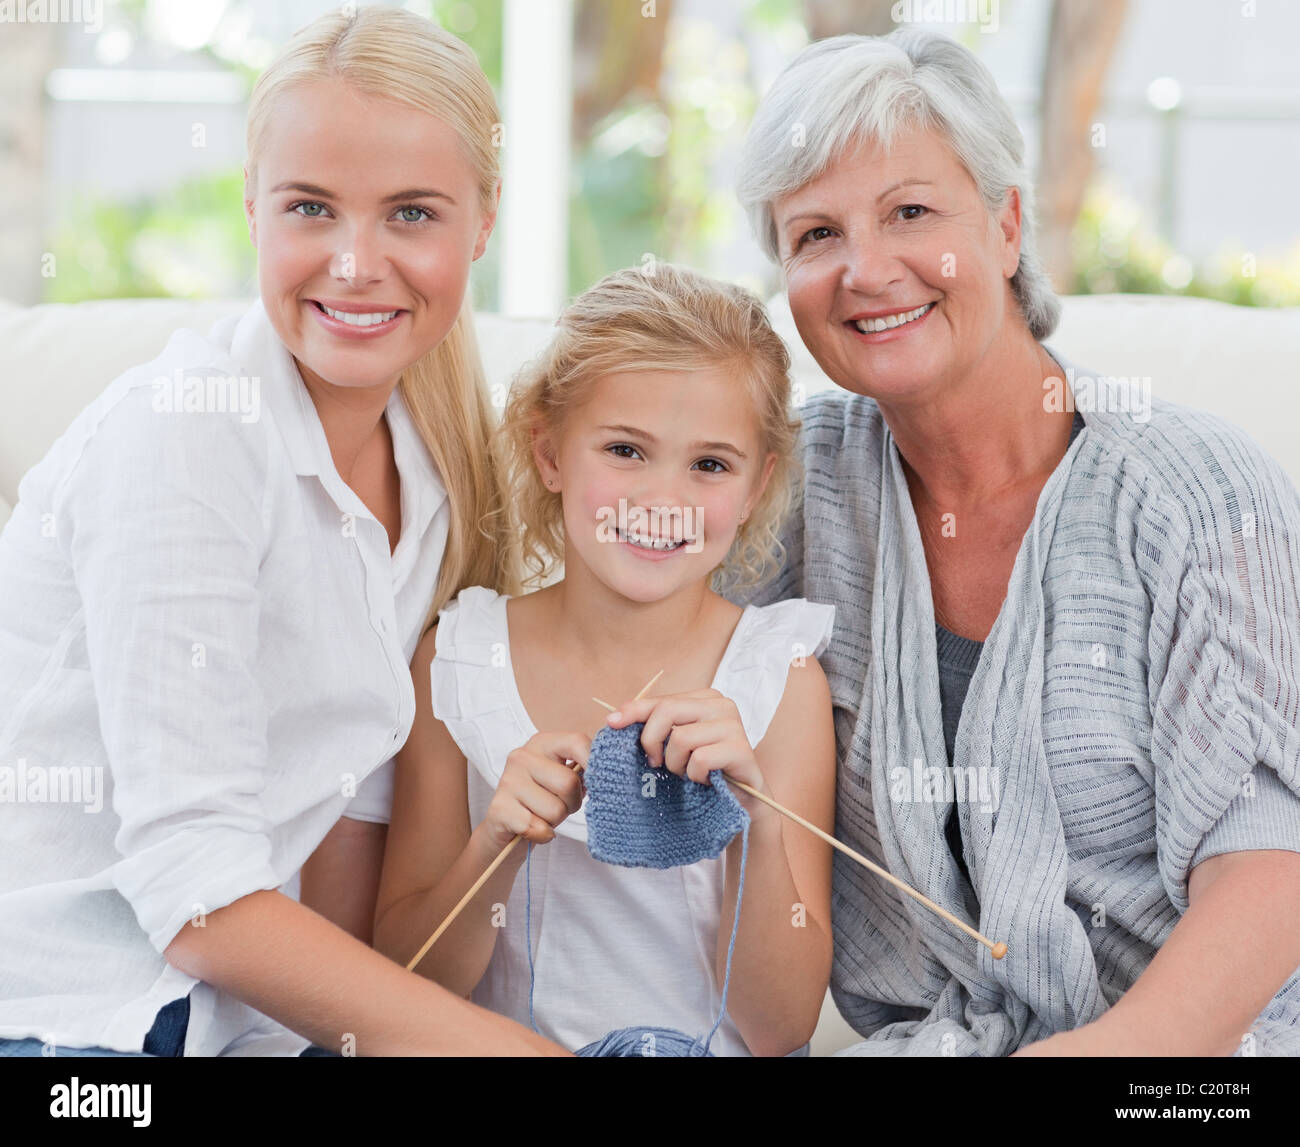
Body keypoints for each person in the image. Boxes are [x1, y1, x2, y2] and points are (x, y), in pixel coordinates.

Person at [0, 7, 562, 1057]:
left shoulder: (435, 478)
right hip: (71, 1027)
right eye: (312, 207)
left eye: (410, 214)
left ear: (481, 224)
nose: (355, 264)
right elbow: (196, 894)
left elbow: (343, 878)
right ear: (254, 212)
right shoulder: (188, 435)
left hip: (243, 1030)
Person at [730, 27, 1300, 1056]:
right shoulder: (783, 487)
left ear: (1004, 225)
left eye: (910, 211)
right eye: (814, 234)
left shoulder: (1191, 491)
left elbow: (1268, 862)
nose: (865, 269)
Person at [373, 264, 837, 1056]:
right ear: (549, 453)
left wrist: (753, 821)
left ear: (757, 486)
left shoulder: (778, 678)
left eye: (710, 465)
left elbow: (781, 1025)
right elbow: (403, 987)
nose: (662, 499)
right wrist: (493, 844)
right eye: (626, 449)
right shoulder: (457, 662)